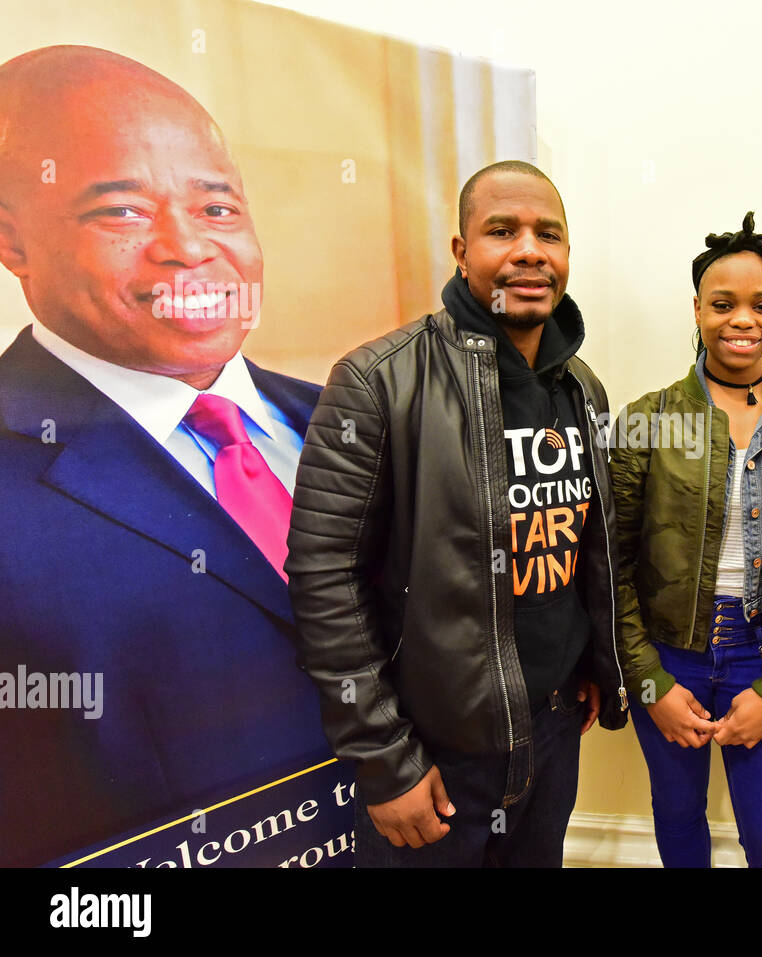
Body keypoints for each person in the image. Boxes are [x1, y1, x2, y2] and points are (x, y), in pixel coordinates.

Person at [0, 46, 330, 866]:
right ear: (11, 240)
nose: (186, 248)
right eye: (122, 212)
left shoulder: (345, 422)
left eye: (218, 210)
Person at [286, 160, 628, 868]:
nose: (529, 250)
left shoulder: (582, 388)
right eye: (502, 230)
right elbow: (326, 577)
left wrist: (591, 661)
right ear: (461, 250)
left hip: (555, 732)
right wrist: (385, 758)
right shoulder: (379, 380)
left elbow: (584, 548)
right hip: (435, 758)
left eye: (549, 234)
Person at [609, 212, 762, 867]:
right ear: (697, 309)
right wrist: (650, 681)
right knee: (679, 819)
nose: (743, 320)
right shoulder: (647, 419)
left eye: (761, 305)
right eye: (723, 304)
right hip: (669, 655)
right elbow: (611, 566)